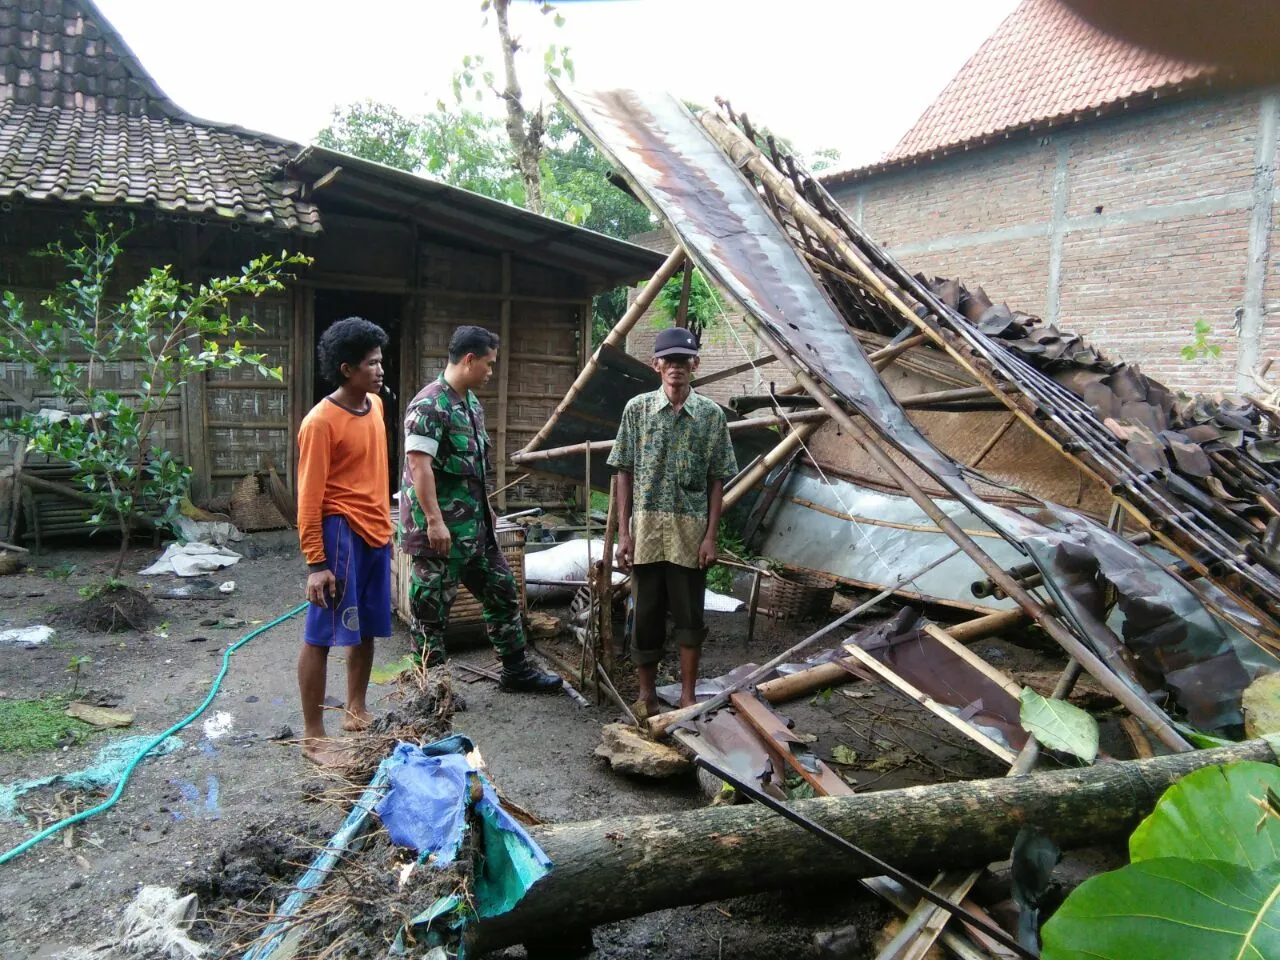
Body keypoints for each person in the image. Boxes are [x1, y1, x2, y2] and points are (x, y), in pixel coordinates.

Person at [399, 324, 562, 692]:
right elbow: (418, 465)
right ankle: (432, 692)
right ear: (469, 359)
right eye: (488, 364)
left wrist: (488, 515)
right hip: (440, 534)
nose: (491, 371)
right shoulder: (428, 405)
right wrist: (435, 523)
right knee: (431, 613)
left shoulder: (470, 403)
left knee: (503, 590)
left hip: (475, 530)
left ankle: (516, 671)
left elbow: (474, 470)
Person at [609, 326, 738, 716]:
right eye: (669, 360)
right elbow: (623, 471)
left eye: (683, 360)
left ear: (695, 365)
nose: (676, 367)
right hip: (646, 533)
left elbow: (718, 479)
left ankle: (687, 695)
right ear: (656, 365)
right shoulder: (637, 410)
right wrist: (624, 533)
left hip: (690, 533)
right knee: (645, 613)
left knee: (689, 615)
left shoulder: (711, 417)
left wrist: (711, 536)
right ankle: (647, 695)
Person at [295, 317, 393, 766]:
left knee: (367, 627)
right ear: (345, 368)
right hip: (340, 533)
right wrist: (317, 562)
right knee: (321, 634)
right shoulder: (320, 422)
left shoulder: (375, 406)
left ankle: (356, 709)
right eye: (371, 363)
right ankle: (313, 736)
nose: (379, 369)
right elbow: (308, 496)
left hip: (376, 530)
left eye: (380, 360)